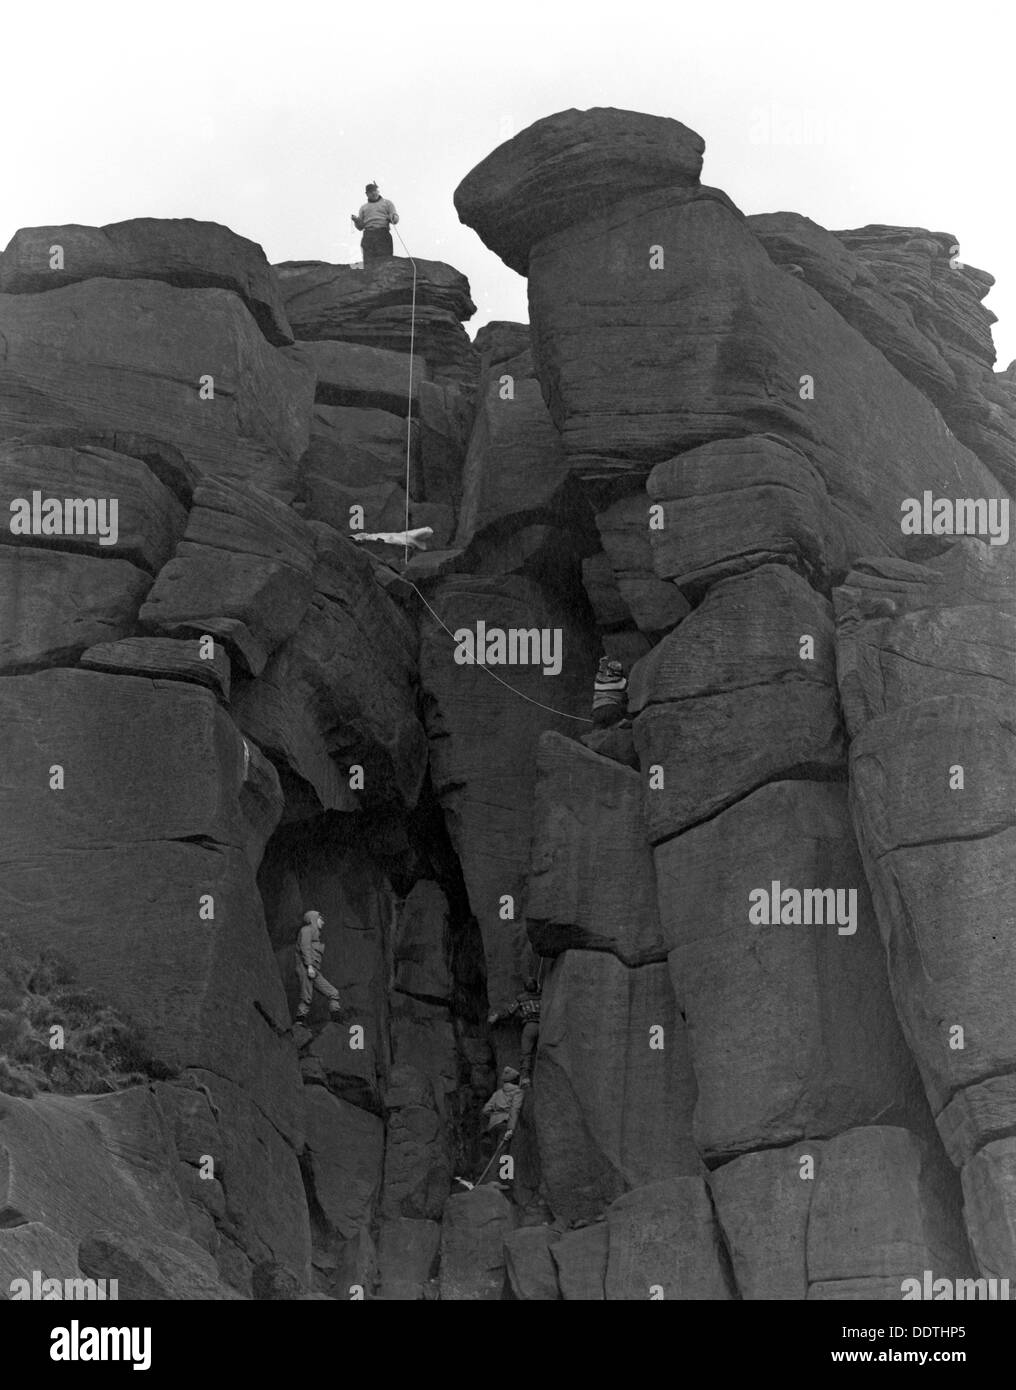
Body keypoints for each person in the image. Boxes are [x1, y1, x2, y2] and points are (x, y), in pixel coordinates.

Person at [293, 909, 344, 1026]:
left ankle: (336, 1019)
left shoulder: (316, 936)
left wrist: (312, 968)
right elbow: (305, 948)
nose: (323, 922)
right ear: (314, 919)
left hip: (314, 970)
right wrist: (309, 966)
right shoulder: (306, 930)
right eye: (321, 919)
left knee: (333, 993)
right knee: (307, 997)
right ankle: (299, 1023)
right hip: (306, 968)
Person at [488, 978, 541, 1085]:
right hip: (543, 1025)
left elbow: (509, 1011)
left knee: (526, 1052)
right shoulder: (542, 996)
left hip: (530, 1026)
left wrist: (497, 1016)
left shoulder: (521, 998)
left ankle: (525, 1077)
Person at [351, 182, 399, 266]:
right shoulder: (363, 207)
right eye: (370, 192)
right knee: (368, 263)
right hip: (368, 235)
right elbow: (360, 227)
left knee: (385, 262)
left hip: (383, 234)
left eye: (374, 191)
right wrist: (356, 221)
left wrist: (392, 217)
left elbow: (395, 219)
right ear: (366, 194)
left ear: (378, 191)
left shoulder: (387, 203)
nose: (373, 193)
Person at [481, 1066, 525, 1155]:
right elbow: (514, 1110)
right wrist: (510, 1129)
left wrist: (495, 1115)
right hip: (505, 1125)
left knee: (496, 1153)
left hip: (493, 1125)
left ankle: (493, 1168)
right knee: (501, 1155)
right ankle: (494, 1169)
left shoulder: (498, 1093)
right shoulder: (518, 1092)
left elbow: (485, 1110)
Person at [592, 656, 629, 729]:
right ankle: (618, 724)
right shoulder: (622, 682)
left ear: (608, 671)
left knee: (601, 729)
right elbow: (629, 694)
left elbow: (600, 672)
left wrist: (602, 664)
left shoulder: (598, 680)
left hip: (596, 711)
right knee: (624, 721)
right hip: (611, 709)